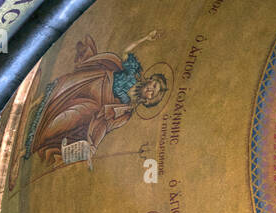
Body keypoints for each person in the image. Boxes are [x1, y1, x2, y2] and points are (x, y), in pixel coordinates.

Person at [22, 32, 167, 166]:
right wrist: (146, 38)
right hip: (95, 80)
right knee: (64, 86)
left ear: (149, 100)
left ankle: (34, 140)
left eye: (154, 93)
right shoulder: (133, 73)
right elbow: (126, 53)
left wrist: (93, 147)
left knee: (67, 118)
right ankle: (36, 103)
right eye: (154, 84)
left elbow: (105, 125)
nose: (151, 89)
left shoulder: (126, 111)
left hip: (94, 103)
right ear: (149, 79)